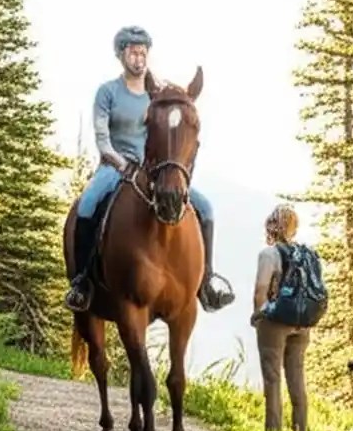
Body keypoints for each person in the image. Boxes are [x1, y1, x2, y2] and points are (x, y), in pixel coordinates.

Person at [66, 25, 234, 314]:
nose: (139, 58)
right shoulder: (108, 92)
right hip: (114, 167)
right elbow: (103, 140)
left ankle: (206, 282)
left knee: (205, 208)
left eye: (143, 52)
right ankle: (82, 281)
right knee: (88, 205)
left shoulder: (157, 93)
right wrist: (122, 164)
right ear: (121, 55)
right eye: (133, 52)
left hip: (154, 171)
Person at [251, 204, 311, 431]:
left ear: (272, 225)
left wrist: (258, 315)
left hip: (275, 323)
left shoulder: (269, 254)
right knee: (296, 378)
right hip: (301, 323)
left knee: (273, 378)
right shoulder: (304, 255)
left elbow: (261, 290)